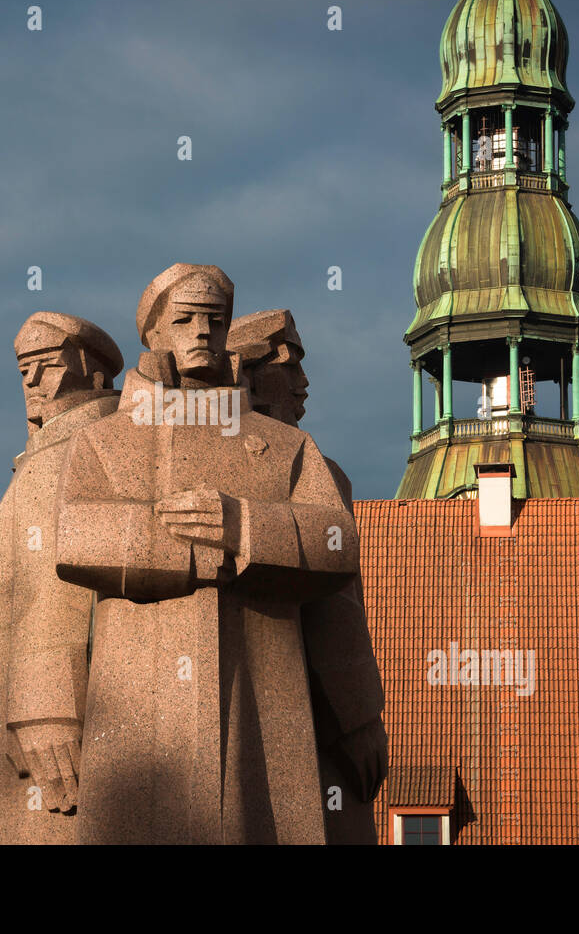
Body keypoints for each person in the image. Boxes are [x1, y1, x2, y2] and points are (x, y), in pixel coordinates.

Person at [53, 263, 359, 843]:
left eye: (214, 322)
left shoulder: (288, 445)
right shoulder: (104, 439)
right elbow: (73, 536)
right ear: (154, 332)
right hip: (138, 703)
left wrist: (245, 525)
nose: (201, 333)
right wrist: (187, 551)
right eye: (185, 319)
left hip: (264, 697)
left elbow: (337, 543)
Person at [0, 312, 122, 844]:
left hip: (51, 707)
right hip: (17, 687)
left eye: (48, 367)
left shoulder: (85, 449)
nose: (31, 382)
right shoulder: (42, 454)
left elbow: (70, 580)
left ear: (95, 375)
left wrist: (46, 704)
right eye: (24, 369)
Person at [228, 309, 387, 844]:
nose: (303, 381)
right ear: (248, 373)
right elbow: (337, 609)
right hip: (313, 727)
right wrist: (359, 718)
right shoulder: (314, 470)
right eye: (289, 365)